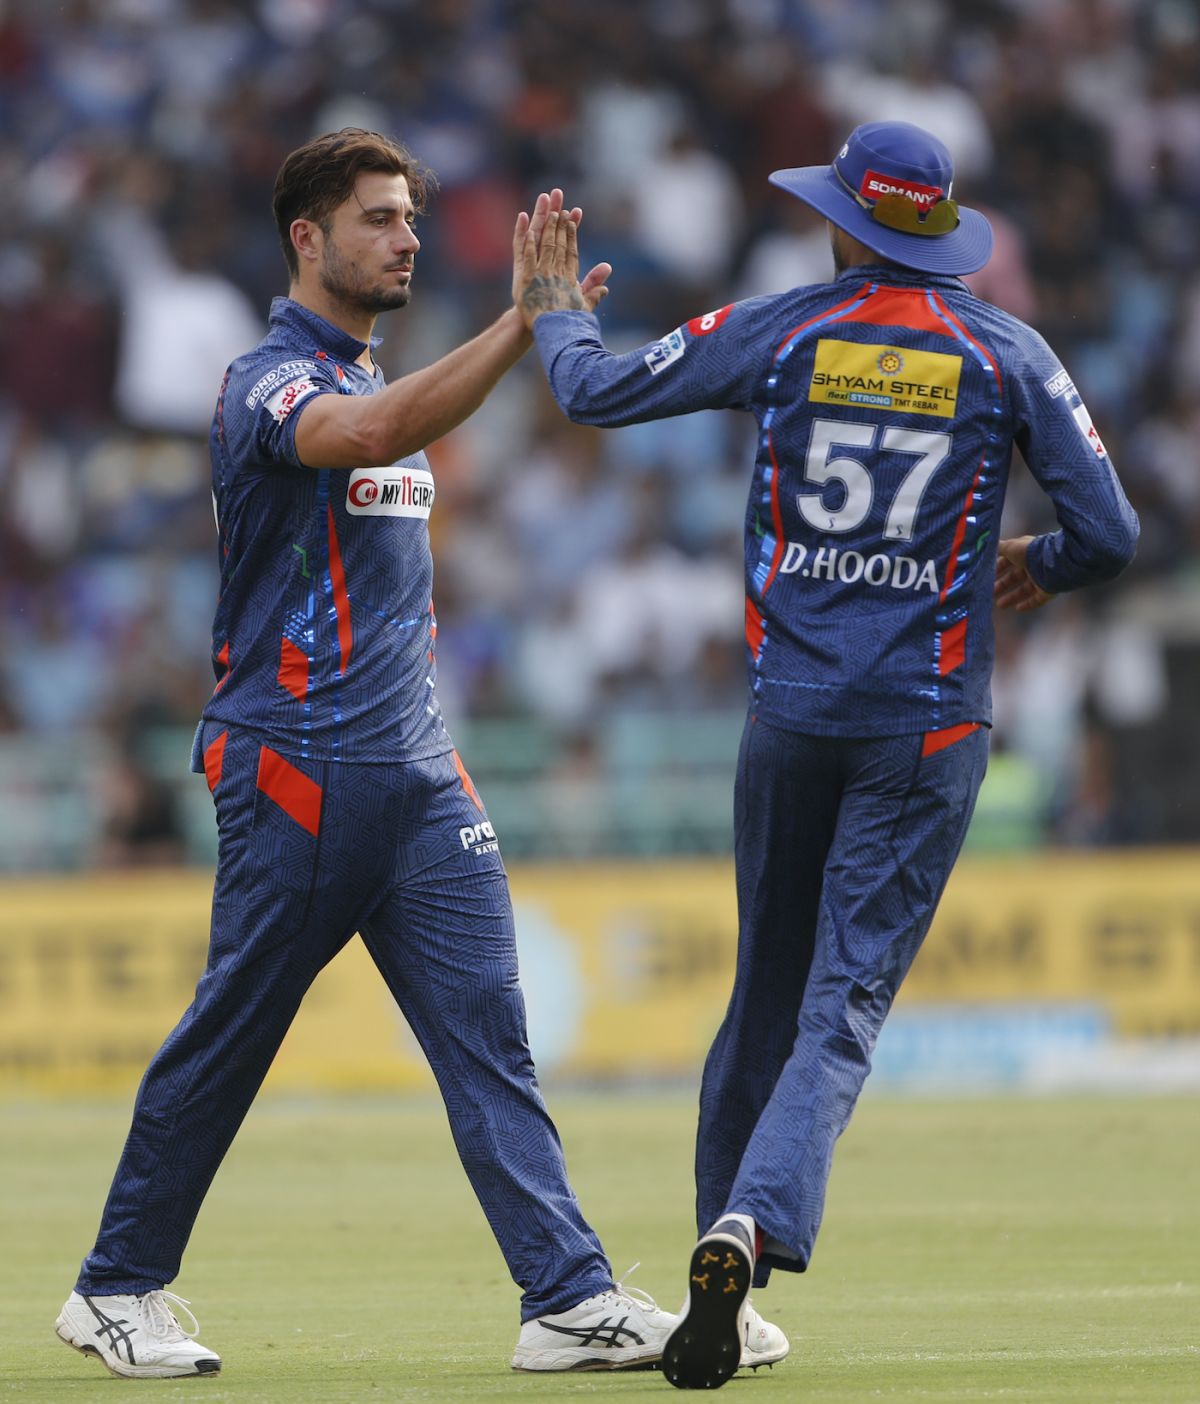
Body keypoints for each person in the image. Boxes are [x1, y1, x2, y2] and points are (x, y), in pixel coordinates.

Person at [515, 120, 1139, 1390]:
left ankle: (723, 1282)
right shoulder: (1006, 351)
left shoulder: (790, 325)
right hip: (927, 727)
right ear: (937, 229)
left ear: (848, 223)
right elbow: (1112, 532)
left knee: (762, 999)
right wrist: (1042, 565)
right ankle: (751, 1229)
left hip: (790, 718)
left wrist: (549, 314)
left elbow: (592, 390)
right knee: (842, 1008)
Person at [55, 127, 680, 1381]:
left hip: (416, 769)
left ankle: (565, 1295)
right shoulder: (266, 383)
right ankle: (115, 1288)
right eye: (381, 218)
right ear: (310, 236)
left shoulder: (363, 370)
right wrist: (522, 325)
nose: (406, 238)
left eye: (408, 217)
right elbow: (378, 430)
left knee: (489, 1037)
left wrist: (519, 326)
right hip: (294, 763)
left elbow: (391, 430)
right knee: (234, 1031)